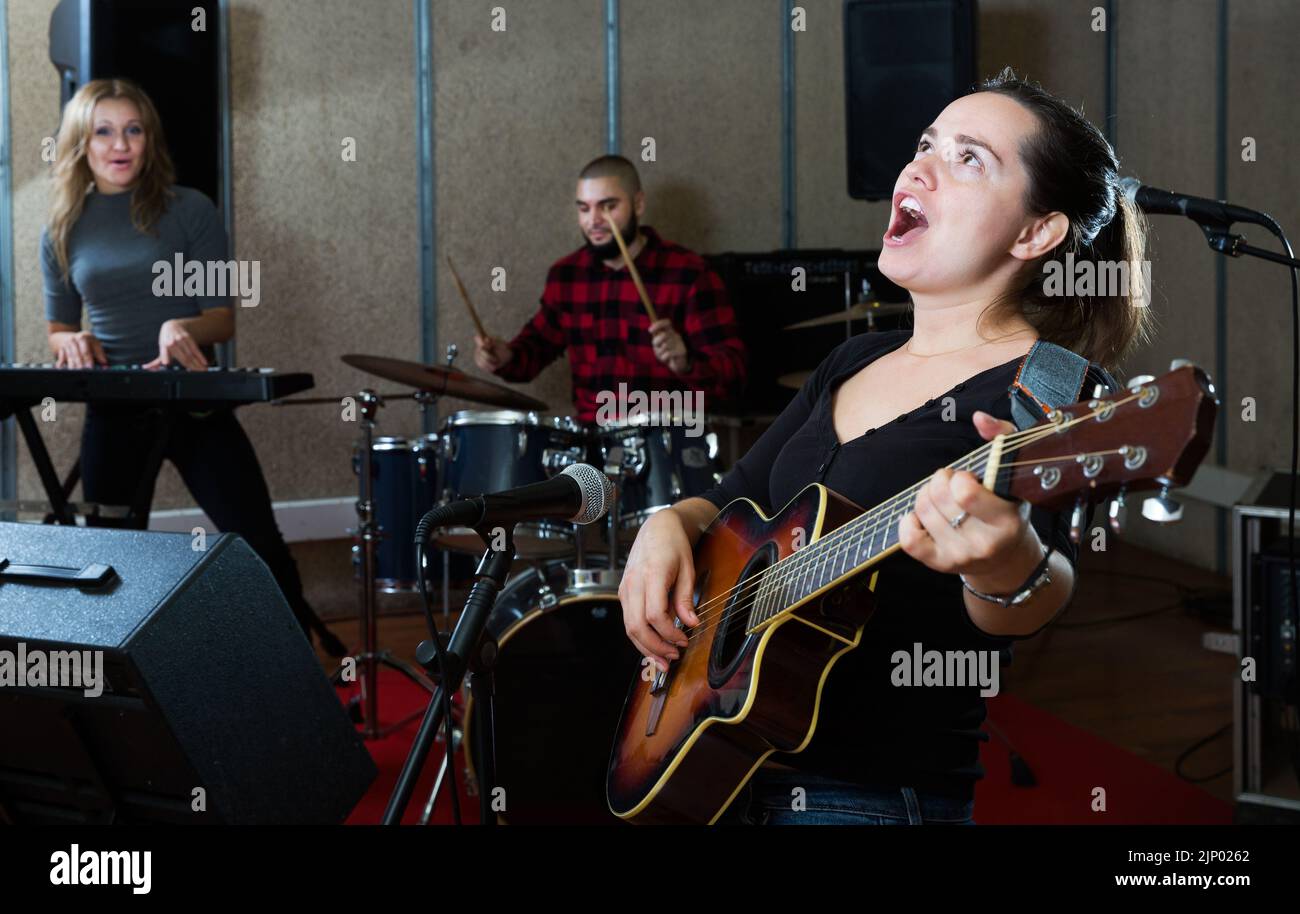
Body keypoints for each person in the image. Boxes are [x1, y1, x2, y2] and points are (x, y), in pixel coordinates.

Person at [618, 68, 1151, 825]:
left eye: (970, 158)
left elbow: (1037, 598)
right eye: (926, 144)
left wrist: (1004, 564)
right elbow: (732, 493)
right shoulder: (854, 358)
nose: (919, 166)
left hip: (865, 796)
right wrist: (665, 523)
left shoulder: (1052, 389)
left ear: (1037, 233)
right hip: (721, 757)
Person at [40, 78, 343, 657]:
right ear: (81, 142)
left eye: (134, 130)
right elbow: (58, 331)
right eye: (104, 131)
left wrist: (183, 326)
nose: (120, 144)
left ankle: (299, 673)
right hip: (115, 406)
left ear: (150, 140)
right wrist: (72, 339)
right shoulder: (62, 226)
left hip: (194, 401)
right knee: (109, 555)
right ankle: (118, 684)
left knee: (258, 542)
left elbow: (221, 317)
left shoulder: (190, 209)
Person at [473, 155, 746, 422]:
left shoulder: (689, 273)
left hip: (666, 441)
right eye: (584, 208)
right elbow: (534, 352)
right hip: (590, 442)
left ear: (638, 204)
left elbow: (734, 376)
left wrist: (686, 361)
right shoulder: (567, 276)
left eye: (607, 207)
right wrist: (505, 356)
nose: (594, 221)